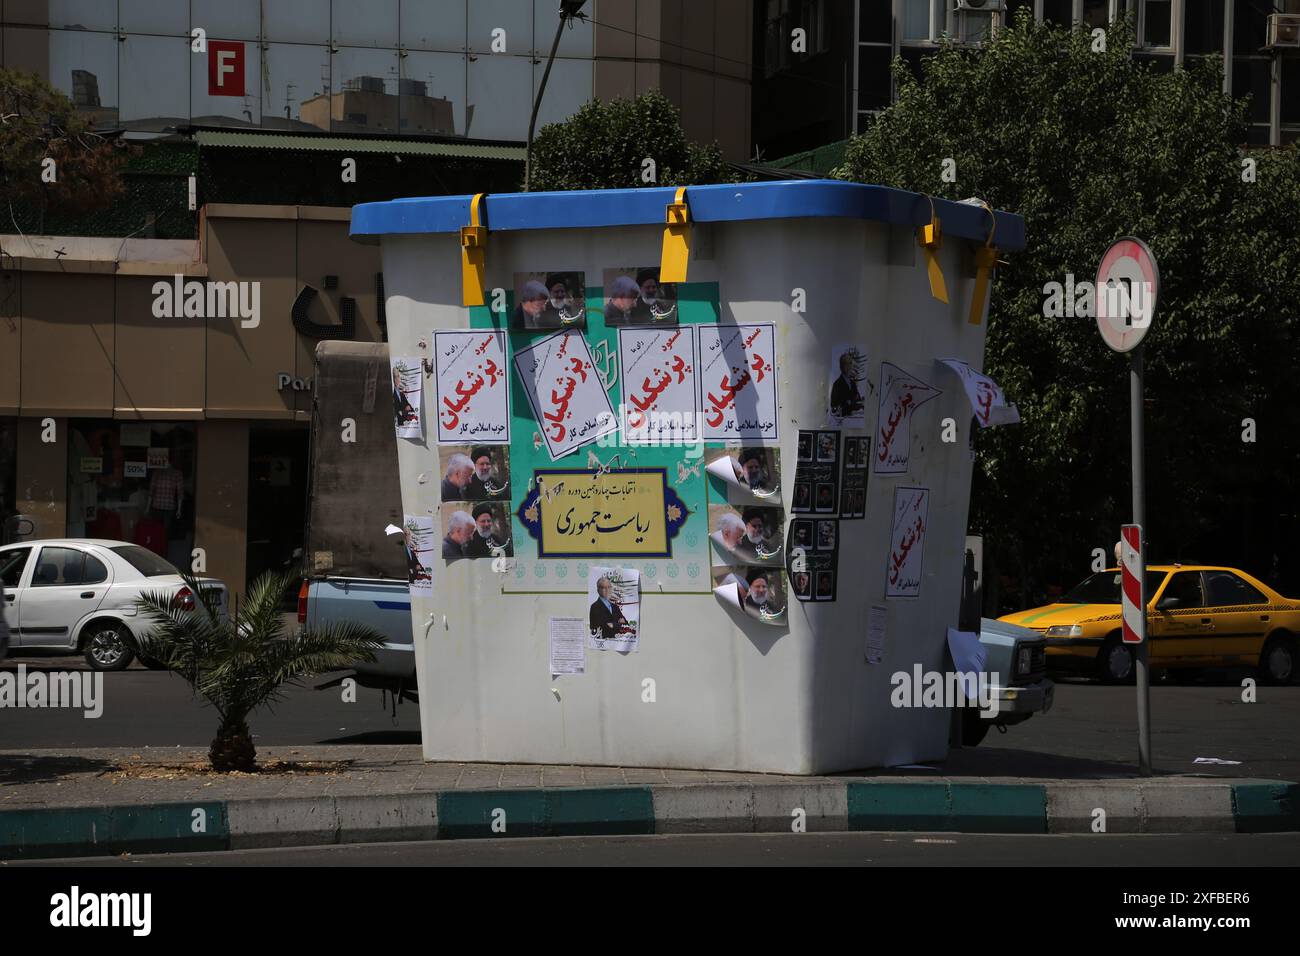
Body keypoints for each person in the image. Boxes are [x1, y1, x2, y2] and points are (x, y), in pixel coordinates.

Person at [589, 575, 629, 640]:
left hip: (617, 643)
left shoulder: (615, 606)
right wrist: (618, 624)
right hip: (604, 644)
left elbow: (626, 624)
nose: (607, 590)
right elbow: (603, 628)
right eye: (604, 588)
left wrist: (613, 625)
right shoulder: (595, 607)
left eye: (609, 587)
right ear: (598, 590)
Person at [830, 351, 864, 420]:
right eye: (846, 364)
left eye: (850, 363)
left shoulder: (853, 383)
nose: (849, 366)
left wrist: (860, 403)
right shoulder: (837, 384)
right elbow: (834, 407)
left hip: (855, 419)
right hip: (844, 420)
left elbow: (857, 400)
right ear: (841, 366)